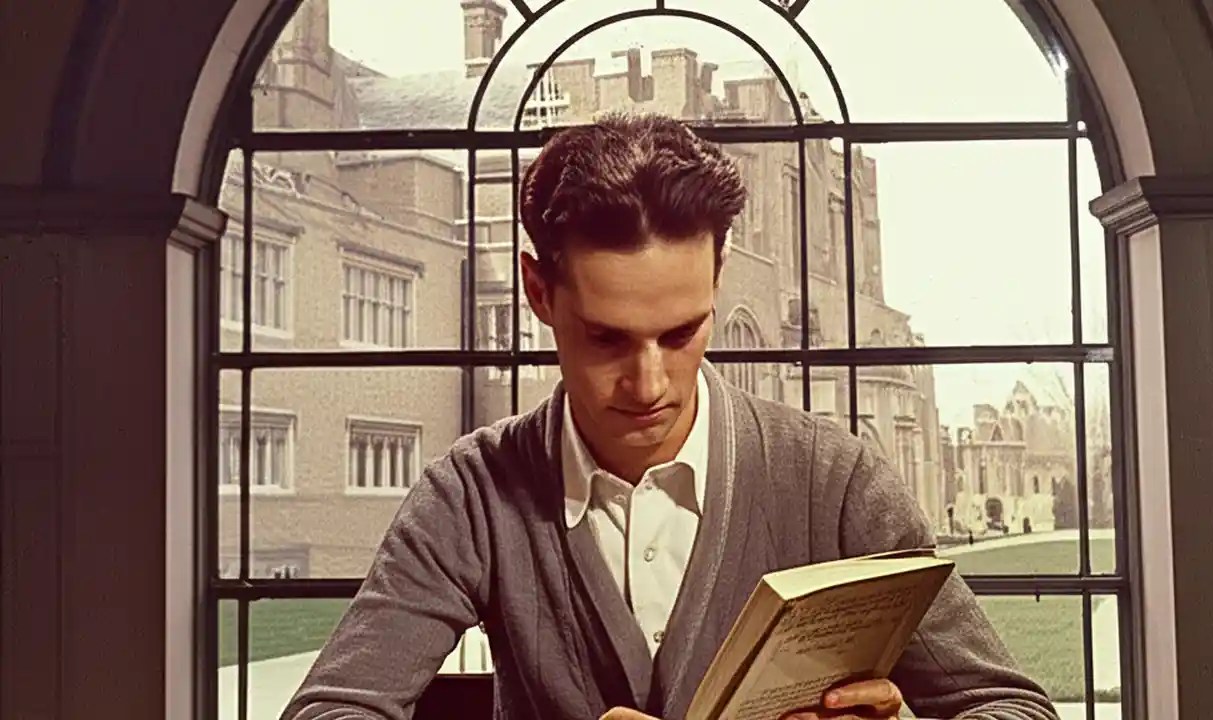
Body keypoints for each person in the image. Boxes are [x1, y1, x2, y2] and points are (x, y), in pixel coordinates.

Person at [280, 112, 1059, 720]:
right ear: (538, 293)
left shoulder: (836, 478)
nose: (649, 384)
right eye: (607, 338)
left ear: (719, 275)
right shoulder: (472, 493)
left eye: (683, 332)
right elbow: (332, 708)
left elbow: (1013, 707)